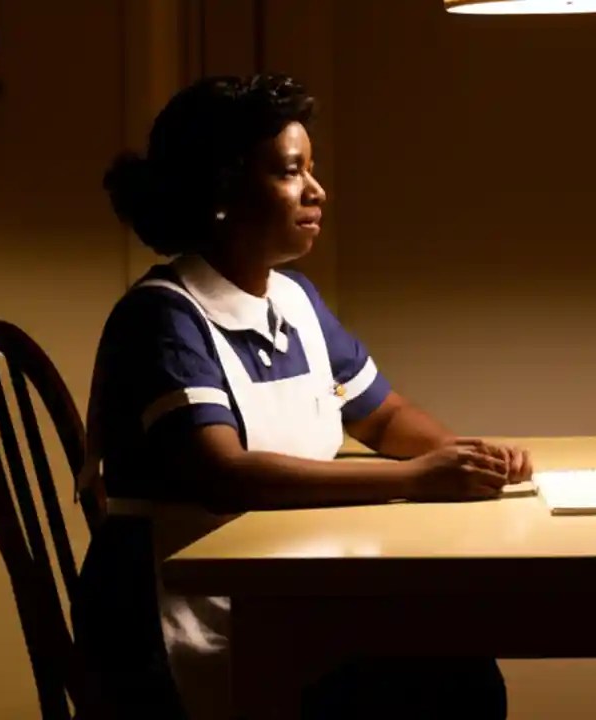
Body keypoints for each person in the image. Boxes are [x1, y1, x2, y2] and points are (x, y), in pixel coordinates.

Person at [72, 73, 531, 719]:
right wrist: (417, 478)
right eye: (291, 172)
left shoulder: (293, 299)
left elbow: (384, 415)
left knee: (460, 666)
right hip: (173, 609)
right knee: (451, 684)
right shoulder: (164, 317)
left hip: (275, 587)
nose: (318, 191)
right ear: (223, 188)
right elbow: (225, 475)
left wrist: (465, 454)